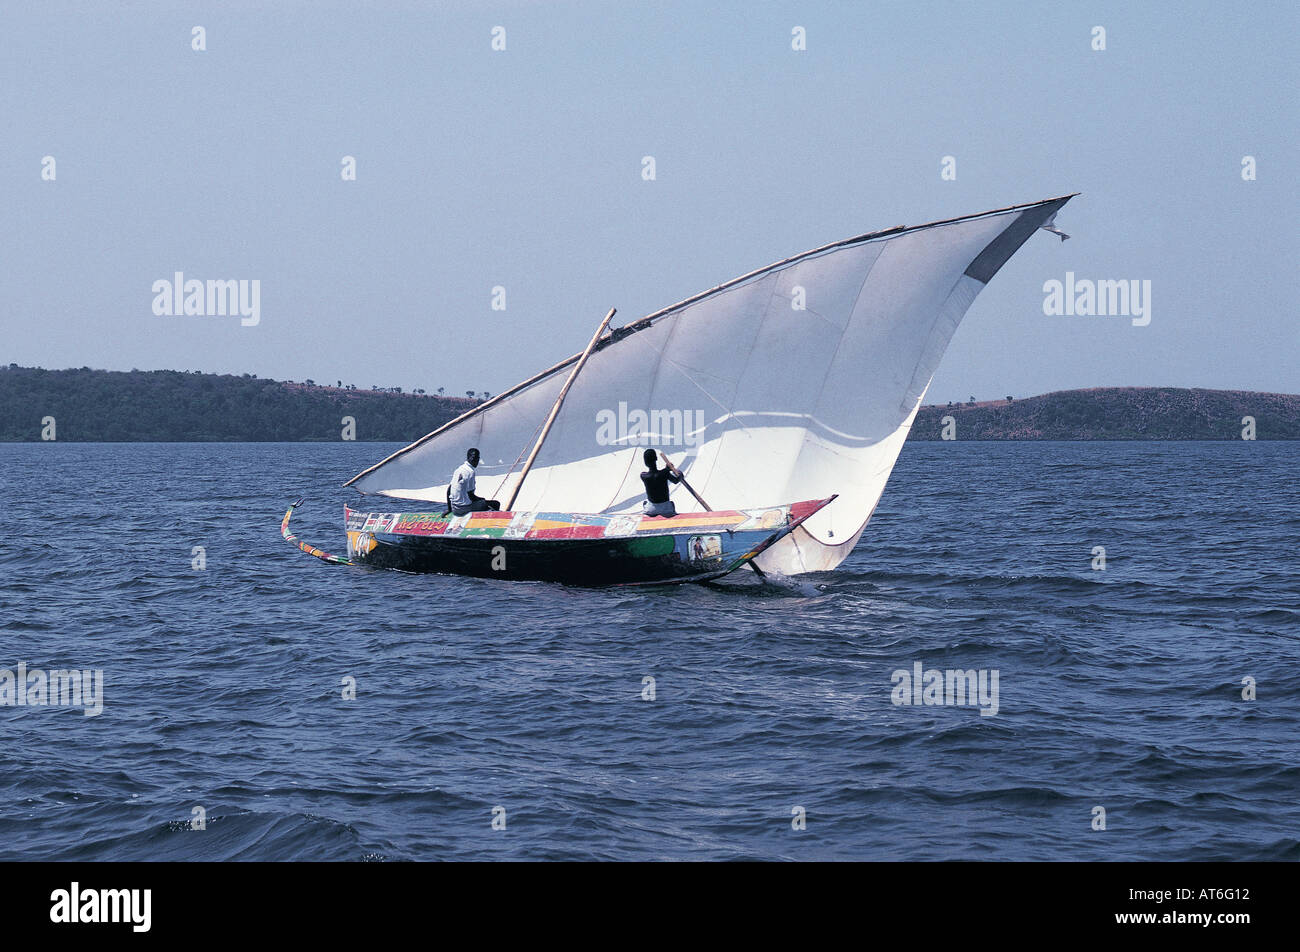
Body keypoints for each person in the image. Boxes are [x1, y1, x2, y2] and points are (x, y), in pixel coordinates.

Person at [447, 448, 501, 516]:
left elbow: (449, 490)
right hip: (464, 510)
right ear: (468, 457)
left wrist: (449, 509)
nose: (475, 460)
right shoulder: (470, 472)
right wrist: (481, 500)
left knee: (484, 503)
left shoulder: (459, 469)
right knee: (495, 504)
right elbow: (471, 496)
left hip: (455, 509)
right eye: (473, 458)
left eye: (477, 458)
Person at [640, 448, 681, 517]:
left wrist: (666, 470)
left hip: (651, 509)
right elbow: (676, 480)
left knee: (645, 503)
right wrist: (678, 473)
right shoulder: (664, 473)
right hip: (666, 508)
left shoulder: (643, 476)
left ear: (645, 463)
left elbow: (656, 475)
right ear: (656, 458)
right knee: (671, 504)